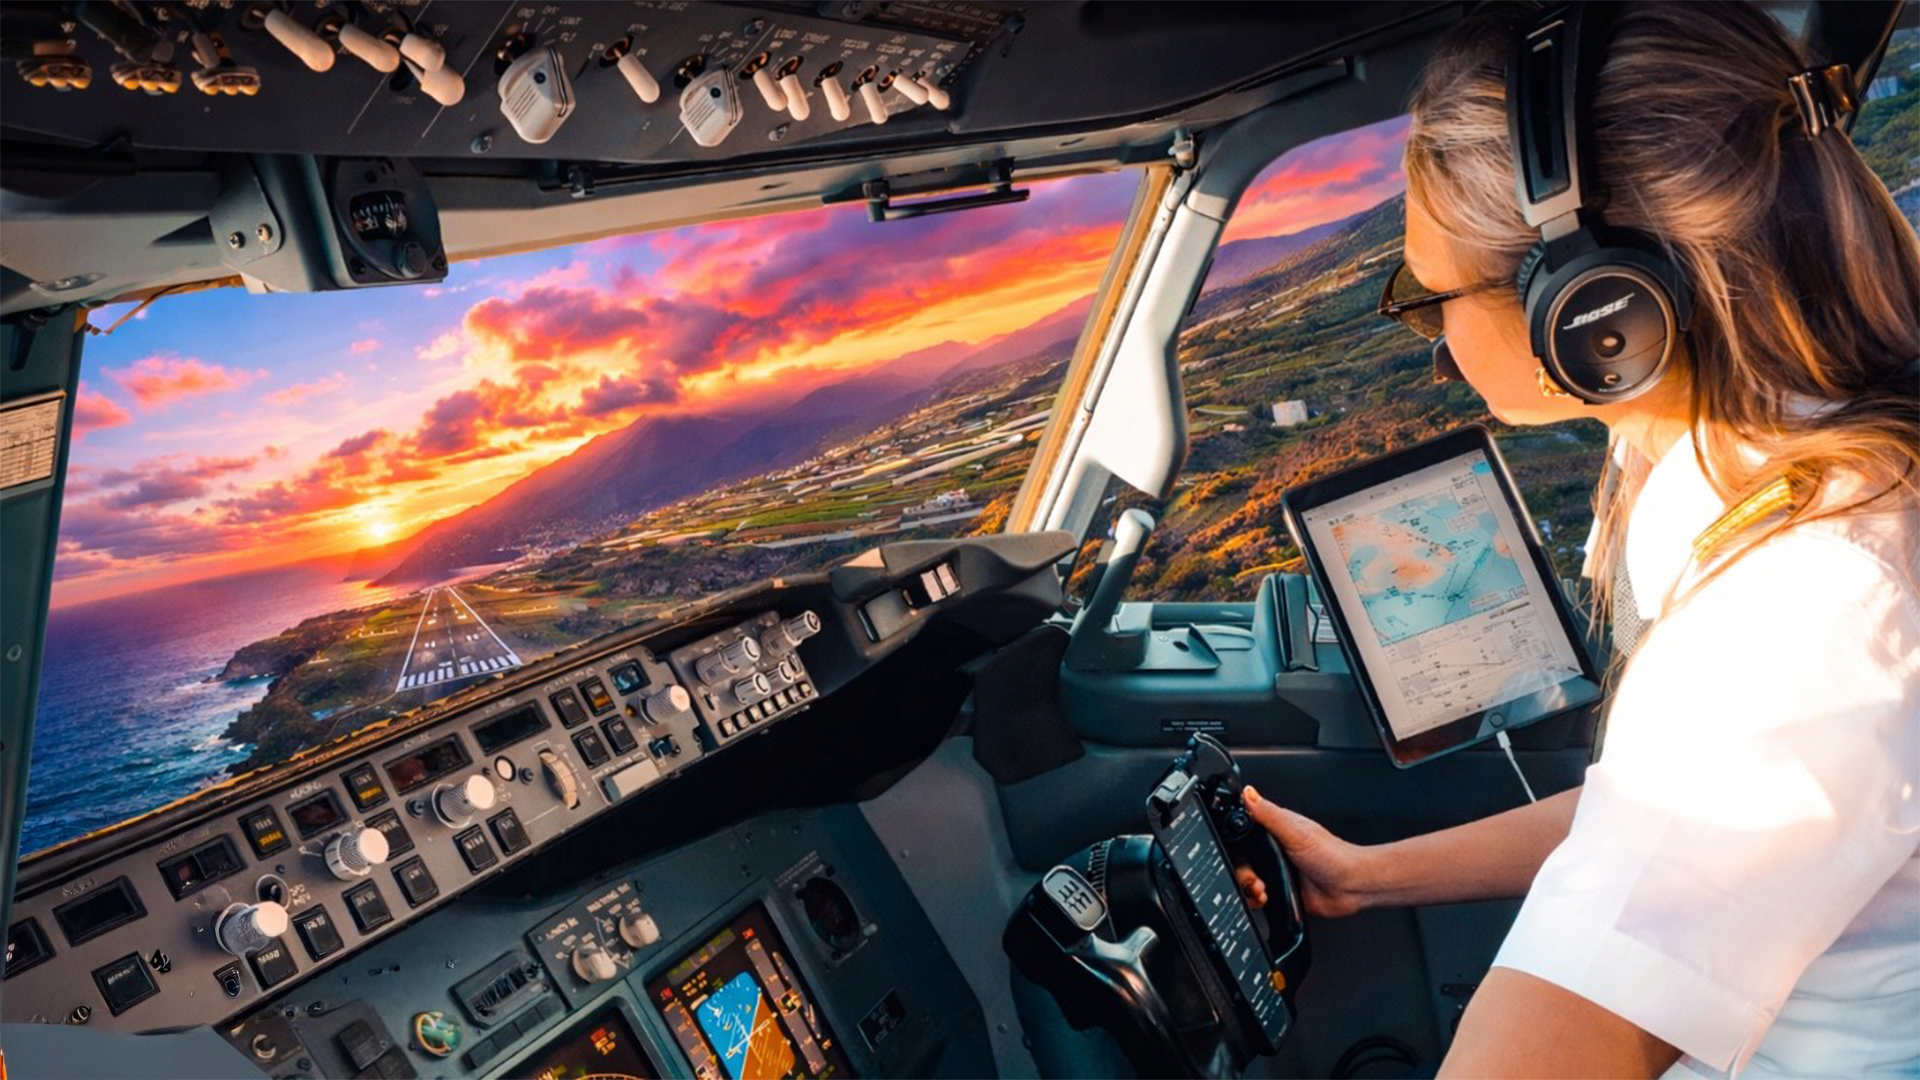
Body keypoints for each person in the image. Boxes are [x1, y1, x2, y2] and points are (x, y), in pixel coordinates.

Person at [1236, 3, 1920, 1077]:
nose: (1429, 345)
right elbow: (1655, 812)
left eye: (1431, 297)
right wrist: (1365, 876)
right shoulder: (1805, 481)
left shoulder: (1810, 608)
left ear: (1598, 310)